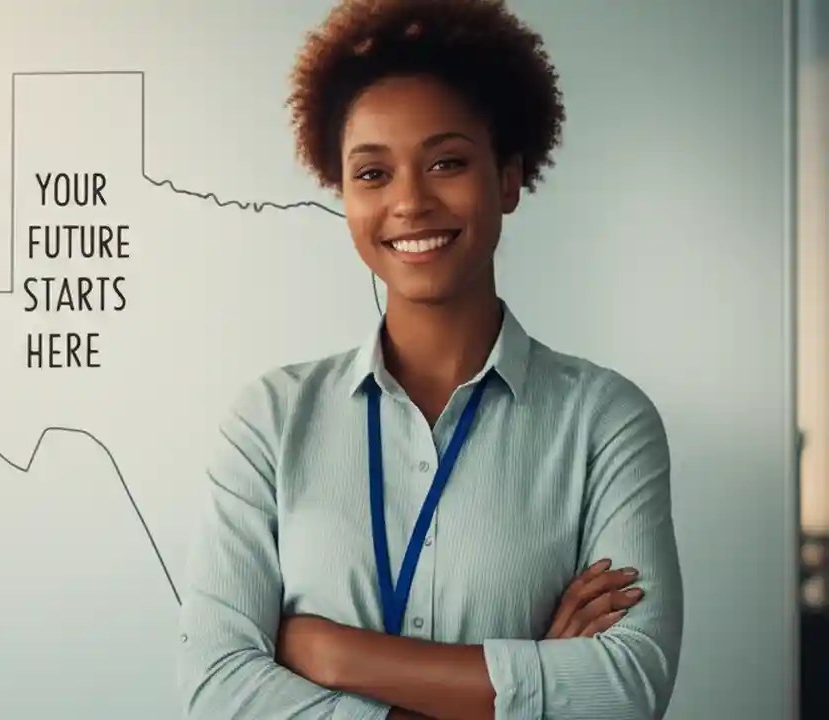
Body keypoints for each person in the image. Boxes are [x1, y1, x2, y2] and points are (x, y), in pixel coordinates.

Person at [174, 1, 684, 718]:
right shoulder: (270, 421)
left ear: (508, 178)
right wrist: (528, 685)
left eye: (446, 162)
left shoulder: (605, 421)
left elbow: (627, 689)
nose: (410, 201)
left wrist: (333, 653)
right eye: (372, 173)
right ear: (343, 195)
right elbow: (216, 690)